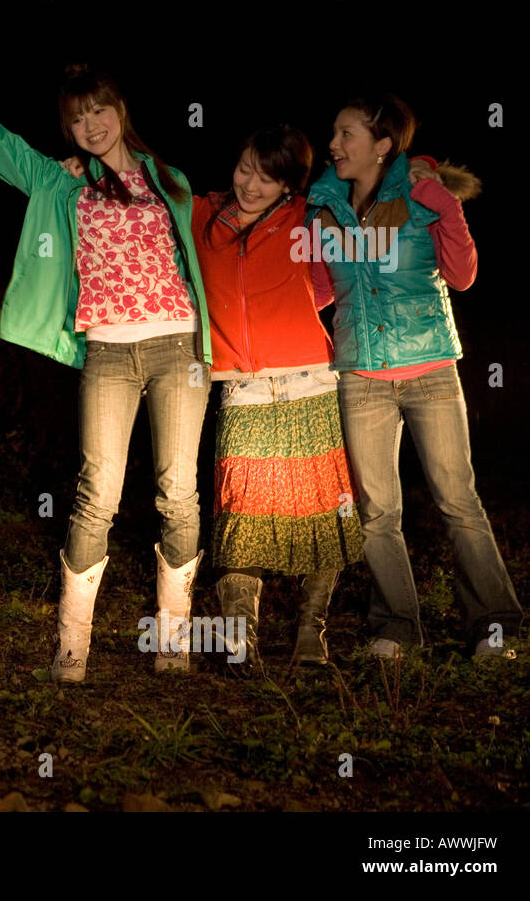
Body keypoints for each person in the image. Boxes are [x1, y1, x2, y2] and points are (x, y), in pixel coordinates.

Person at [0, 33, 213, 680]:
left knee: (179, 491)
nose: (90, 126)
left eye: (99, 111)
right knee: (98, 494)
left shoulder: (170, 181)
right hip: (110, 354)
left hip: (179, 349)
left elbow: (230, 238)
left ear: (120, 109)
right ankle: (73, 645)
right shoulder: (61, 184)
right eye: (77, 118)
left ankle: (173, 639)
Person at [306, 93, 523, 660]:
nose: (333, 144)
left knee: (458, 499)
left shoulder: (422, 193)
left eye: (346, 133)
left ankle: (492, 626)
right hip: (361, 374)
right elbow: (321, 290)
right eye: (334, 132)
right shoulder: (325, 202)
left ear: (382, 145)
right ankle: (395, 628)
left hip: (429, 367)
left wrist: (445, 206)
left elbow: (463, 276)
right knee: (377, 512)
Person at [192, 126, 365, 672]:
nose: (250, 184)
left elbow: (356, 202)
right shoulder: (205, 217)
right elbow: (150, 182)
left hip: (311, 378)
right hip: (242, 387)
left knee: (324, 514)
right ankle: (241, 636)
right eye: (246, 169)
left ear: (290, 186)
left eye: (268, 178)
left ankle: (311, 634)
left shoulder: (306, 219)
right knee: (240, 513)